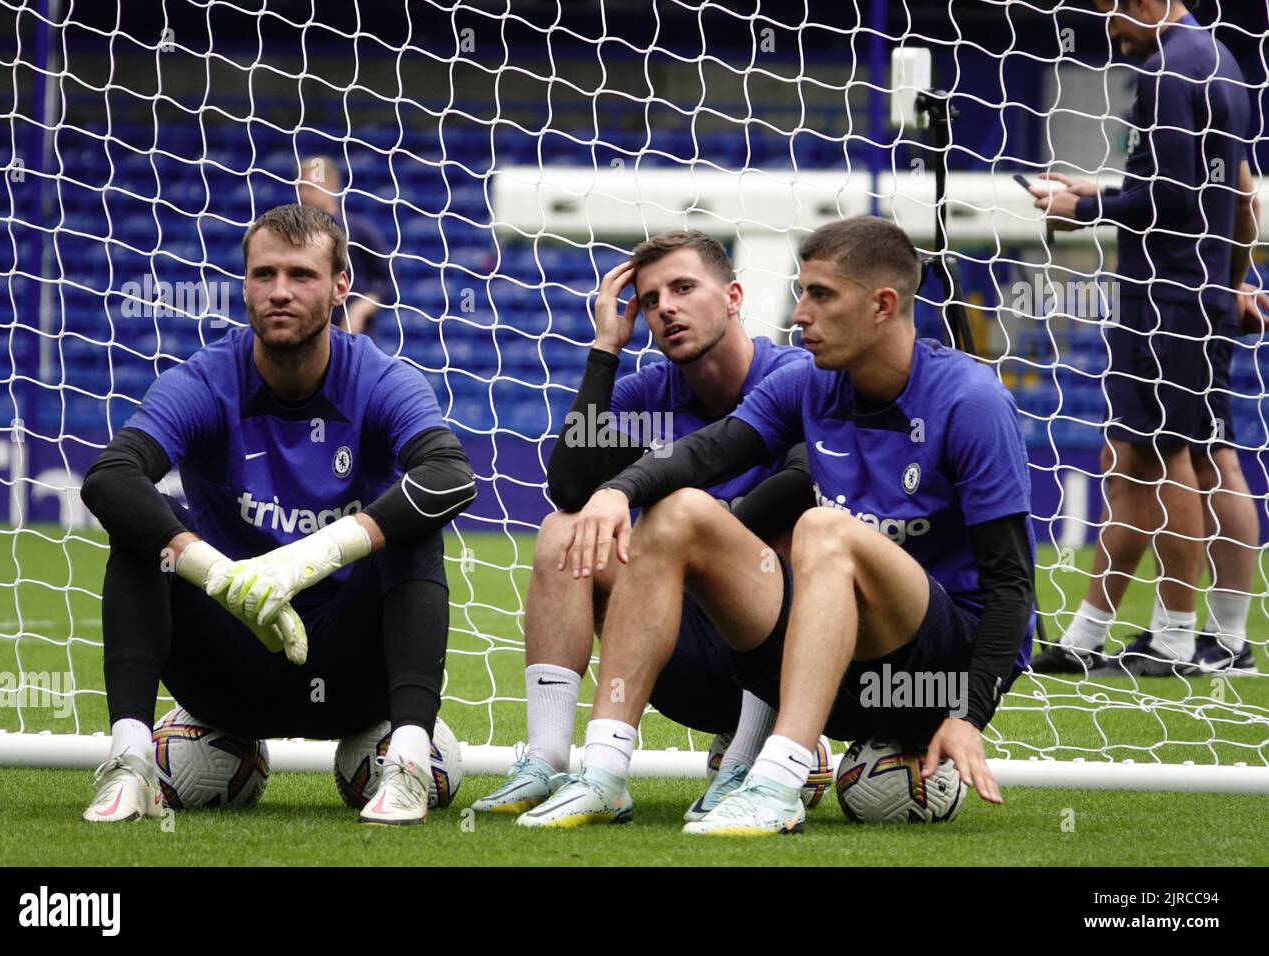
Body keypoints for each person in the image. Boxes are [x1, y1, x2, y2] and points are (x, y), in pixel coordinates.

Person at [521, 216, 1035, 835]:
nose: (798, 314)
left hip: (930, 681)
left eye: (820, 295)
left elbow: (1012, 588)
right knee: (678, 509)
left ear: (883, 305)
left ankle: (773, 781)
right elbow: (707, 452)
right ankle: (601, 772)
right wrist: (616, 490)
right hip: (836, 683)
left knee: (819, 527)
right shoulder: (808, 383)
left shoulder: (971, 401)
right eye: (801, 292)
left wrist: (967, 714)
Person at [79, 205, 476, 826]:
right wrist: (218, 576)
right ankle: (130, 762)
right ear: (244, 286)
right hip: (229, 665)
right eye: (264, 275)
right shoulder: (209, 378)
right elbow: (110, 476)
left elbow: (451, 476)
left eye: (302, 275)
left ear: (340, 287)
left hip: (353, 670)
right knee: (143, 522)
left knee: (413, 525)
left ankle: (406, 759)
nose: (280, 292)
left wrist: (308, 559)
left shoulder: (376, 377)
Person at [469, 230, 812, 824]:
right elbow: (570, 489)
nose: (666, 308)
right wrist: (606, 349)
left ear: (733, 296)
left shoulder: (795, 376)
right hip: (669, 647)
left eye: (683, 288)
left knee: (798, 529)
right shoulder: (647, 396)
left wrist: (702, 532)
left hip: (775, 653)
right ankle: (550, 761)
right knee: (561, 530)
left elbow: (810, 481)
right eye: (650, 300)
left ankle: (749, 757)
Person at [1027, 0, 1262, 676]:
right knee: (1196, 457)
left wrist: (1085, 206)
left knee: (1166, 461)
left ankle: (1174, 637)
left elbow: (1174, 197)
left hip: (1163, 299)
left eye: (1114, 11)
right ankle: (1215, 638)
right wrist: (1233, 281)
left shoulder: (1164, 71)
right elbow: (1241, 196)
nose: (1110, 28)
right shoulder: (1223, 60)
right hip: (1204, 291)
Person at [297, 155, 395, 334]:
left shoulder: (359, 230)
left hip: (353, 336)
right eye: (300, 187)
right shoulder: (294, 231)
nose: (303, 193)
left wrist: (360, 310)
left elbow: (390, 282)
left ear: (333, 187)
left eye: (310, 186)